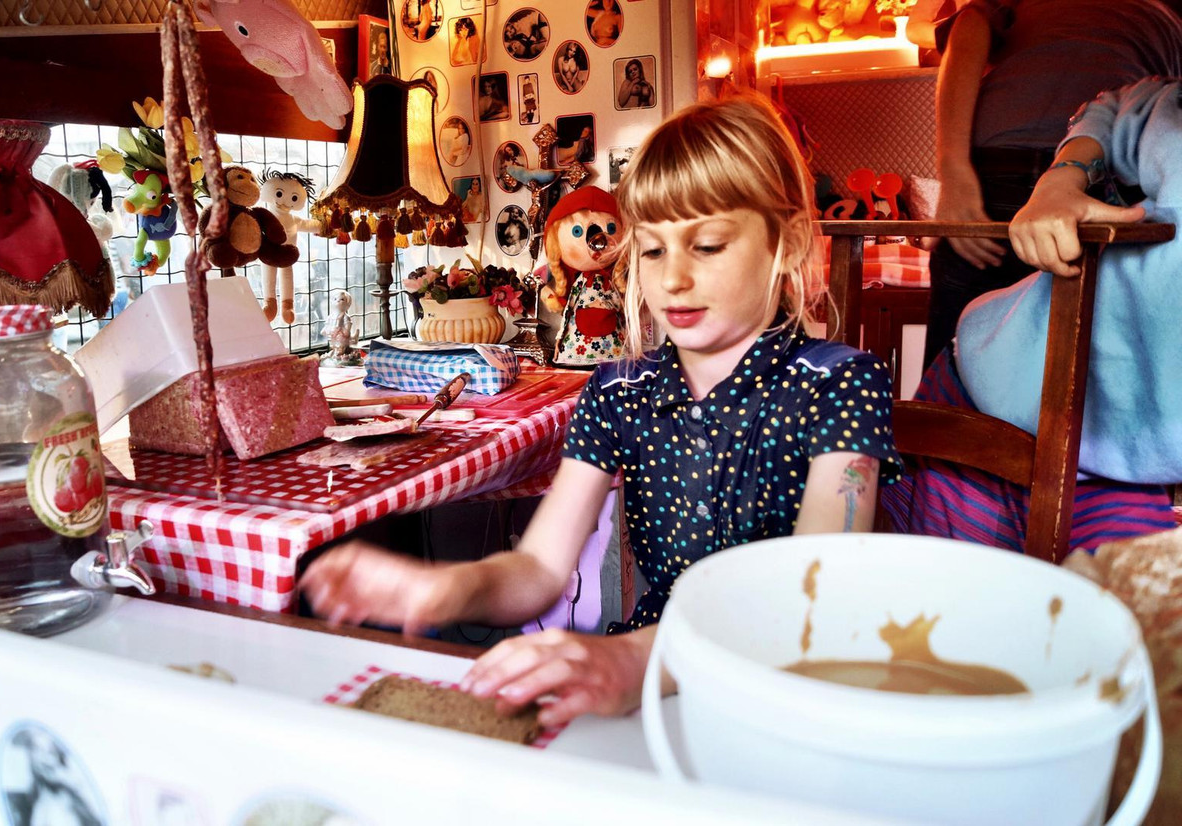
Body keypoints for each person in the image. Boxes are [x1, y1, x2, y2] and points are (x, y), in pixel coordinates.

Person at [301, 94, 901, 728]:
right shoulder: (618, 393)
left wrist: (631, 663)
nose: (672, 279)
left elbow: (810, 594)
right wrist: (445, 588)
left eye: (709, 245)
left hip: (791, 694)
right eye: (652, 250)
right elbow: (537, 569)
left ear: (791, 240)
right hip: (658, 689)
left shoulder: (840, 384)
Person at [882, 77, 1180, 554]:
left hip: (1119, 466)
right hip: (988, 384)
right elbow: (1118, 108)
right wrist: (1061, 179)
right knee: (939, 597)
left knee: (1117, 611)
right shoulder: (1170, 114)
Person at [909, 0, 1182, 367]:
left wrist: (954, 172)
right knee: (1090, 379)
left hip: (1017, 171)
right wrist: (955, 174)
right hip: (1103, 186)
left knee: (957, 386)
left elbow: (970, 24)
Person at [3, 729, 101, 826]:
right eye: (35, 749)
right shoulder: (42, 807)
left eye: (49, 752)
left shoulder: (73, 792)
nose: (46, 757)